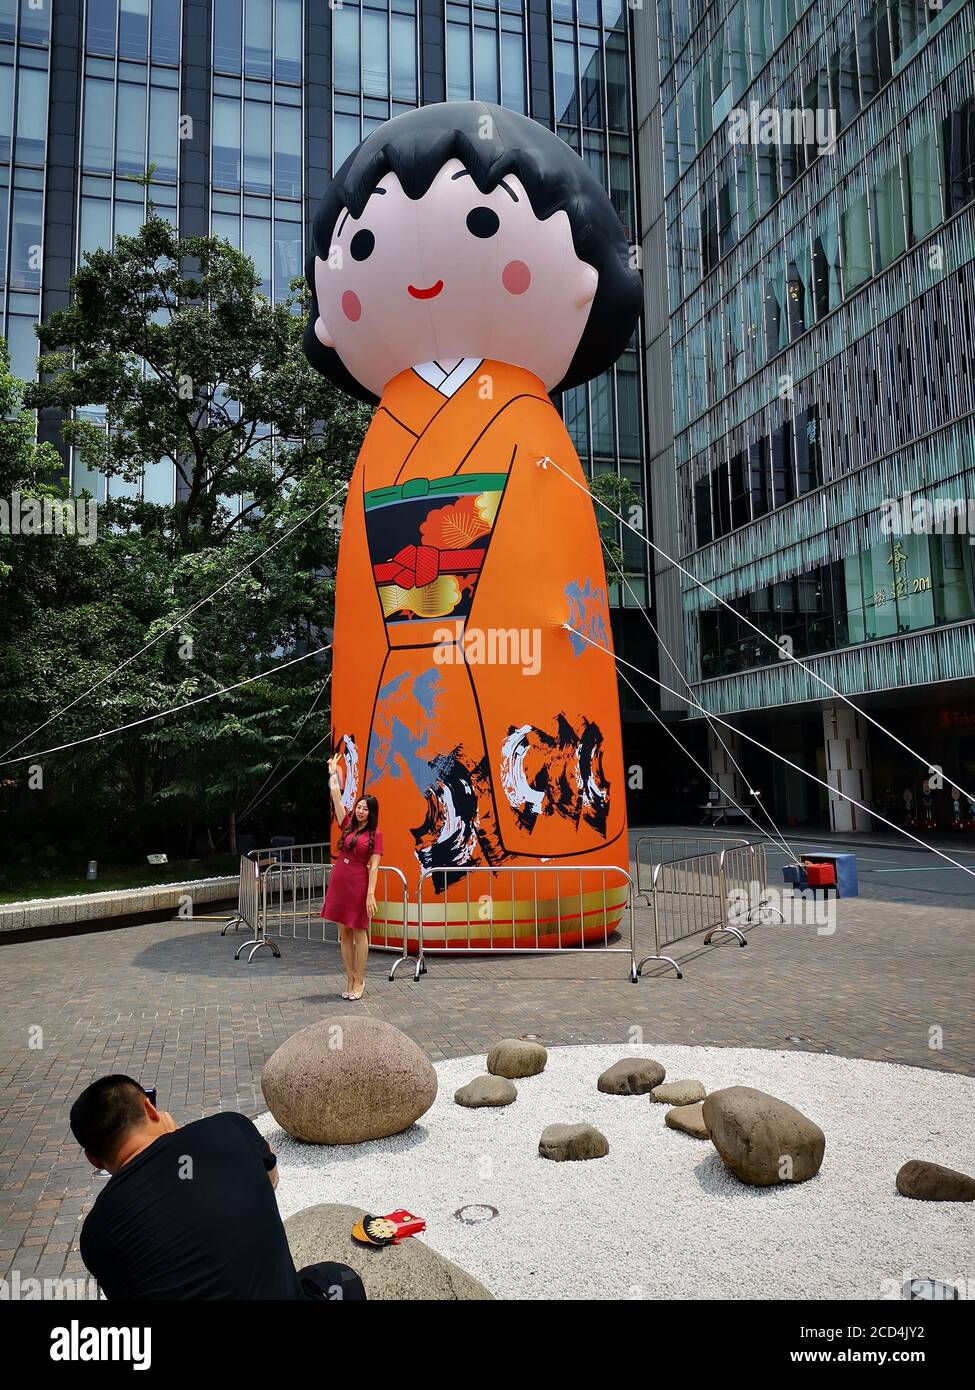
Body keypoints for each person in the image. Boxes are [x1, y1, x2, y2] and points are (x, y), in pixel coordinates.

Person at [70, 1075, 366, 1301]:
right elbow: (270, 1180)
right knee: (338, 1279)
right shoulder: (230, 1128)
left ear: (93, 1158)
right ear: (150, 1108)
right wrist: (176, 1140)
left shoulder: (96, 1235)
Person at [323, 757, 383, 1000]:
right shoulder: (347, 824)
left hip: (358, 882)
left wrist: (370, 894)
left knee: (359, 931)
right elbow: (336, 796)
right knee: (343, 933)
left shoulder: (375, 835)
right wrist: (333, 773)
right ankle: (349, 977)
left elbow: (375, 866)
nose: (360, 810)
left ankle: (360, 979)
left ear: (371, 812)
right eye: (359, 806)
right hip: (339, 879)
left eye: (365, 808)